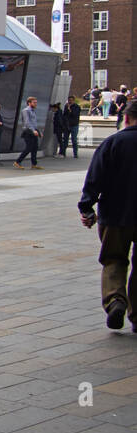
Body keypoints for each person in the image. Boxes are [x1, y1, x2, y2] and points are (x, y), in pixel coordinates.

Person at [79, 105, 137, 330]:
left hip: (115, 214)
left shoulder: (112, 143)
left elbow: (95, 178)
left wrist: (87, 208)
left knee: (114, 259)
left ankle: (115, 301)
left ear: (126, 118)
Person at [14, 97, 42, 169]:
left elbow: (34, 123)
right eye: (34, 102)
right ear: (29, 103)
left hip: (34, 131)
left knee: (35, 147)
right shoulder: (26, 111)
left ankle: (34, 164)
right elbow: (27, 122)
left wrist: (38, 131)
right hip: (28, 131)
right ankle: (17, 162)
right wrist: (33, 130)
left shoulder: (33, 111)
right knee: (29, 147)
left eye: (36, 102)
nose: (36, 104)